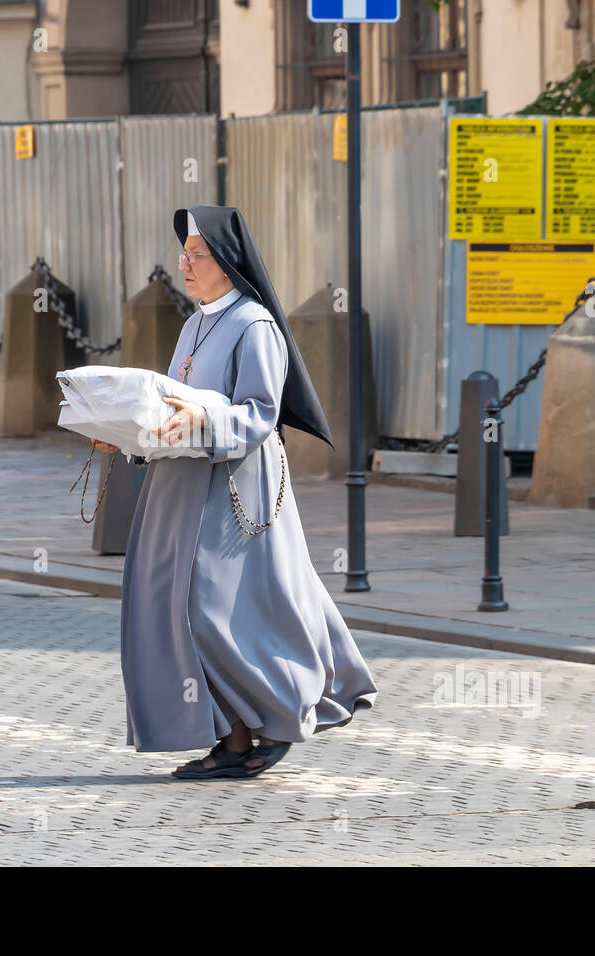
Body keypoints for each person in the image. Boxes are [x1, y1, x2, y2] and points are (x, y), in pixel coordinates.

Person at [100, 204, 377, 779]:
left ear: (228, 260)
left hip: (234, 488)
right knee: (177, 609)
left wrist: (201, 421)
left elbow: (258, 415)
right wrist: (122, 433)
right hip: (179, 483)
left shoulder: (255, 325)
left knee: (216, 611)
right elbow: (169, 407)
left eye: (198, 253)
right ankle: (230, 739)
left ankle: (275, 716)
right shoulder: (193, 323)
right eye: (183, 253)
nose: (186, 263)